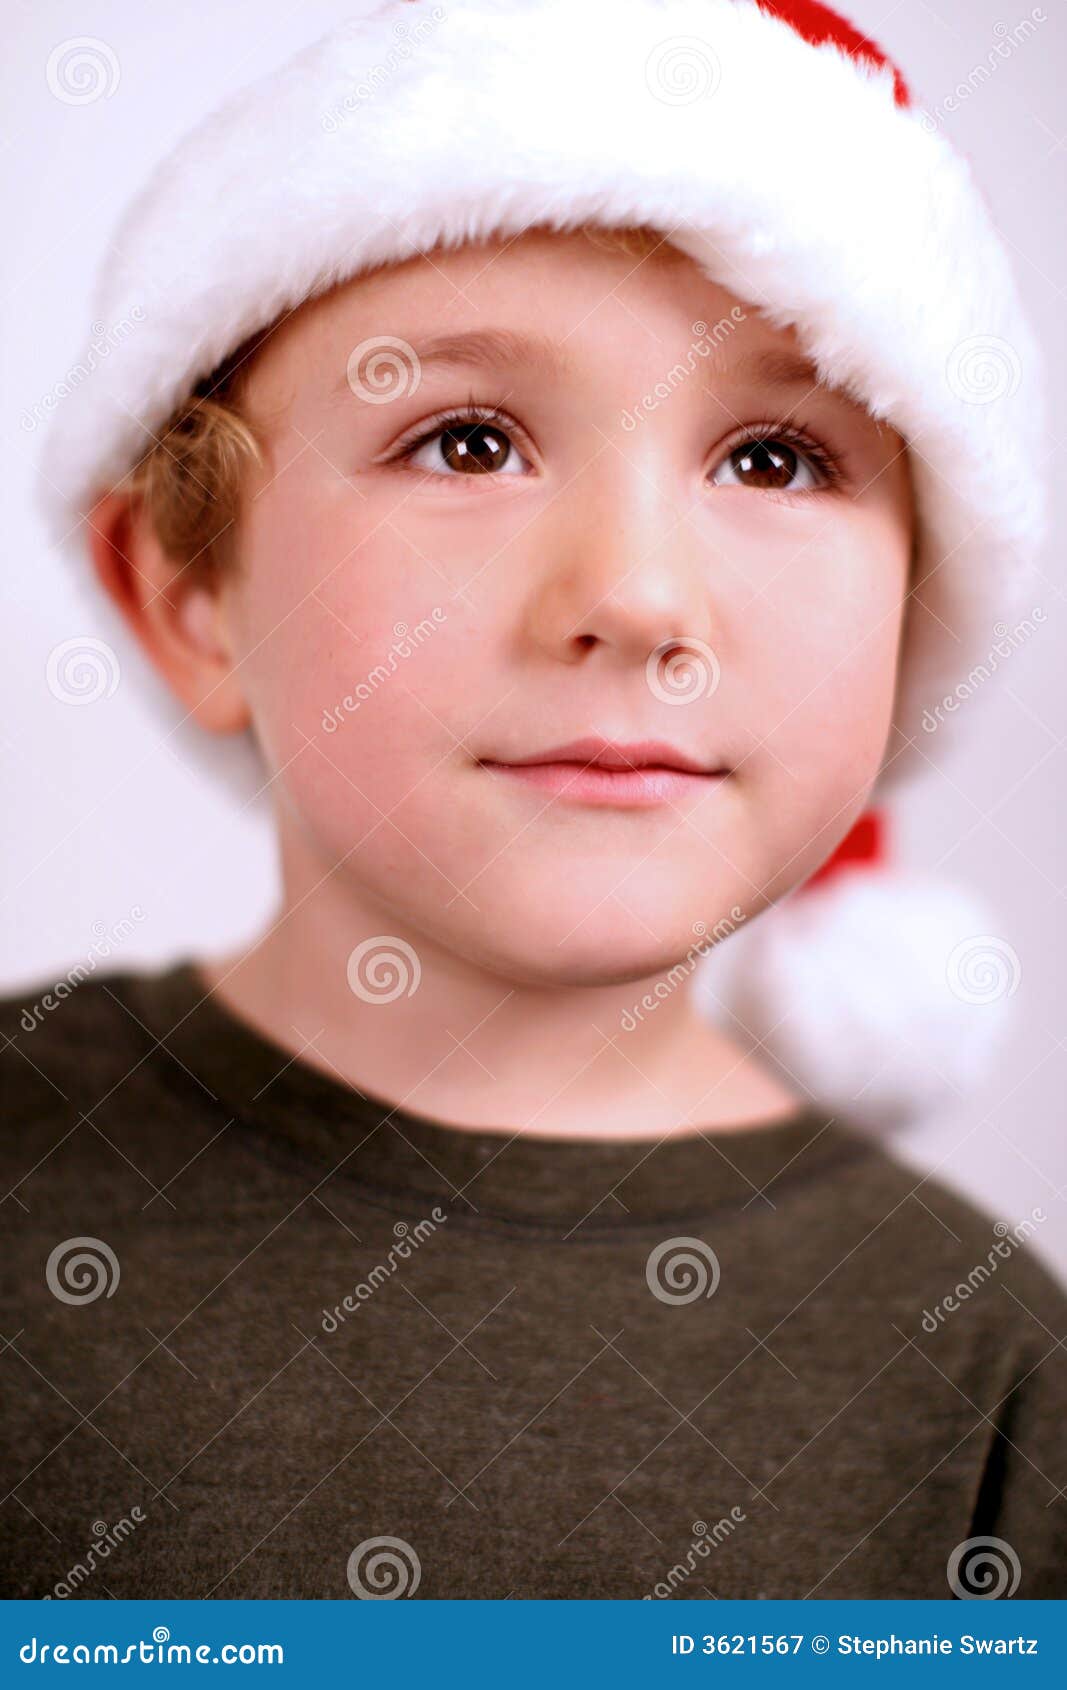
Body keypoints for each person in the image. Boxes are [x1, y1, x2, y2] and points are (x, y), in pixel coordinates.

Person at [3, 0, 1064, 1600]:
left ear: (919, 605)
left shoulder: (985, 1370)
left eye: (777, 460)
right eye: (470, 440)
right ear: (189, 591)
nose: (635, 597)